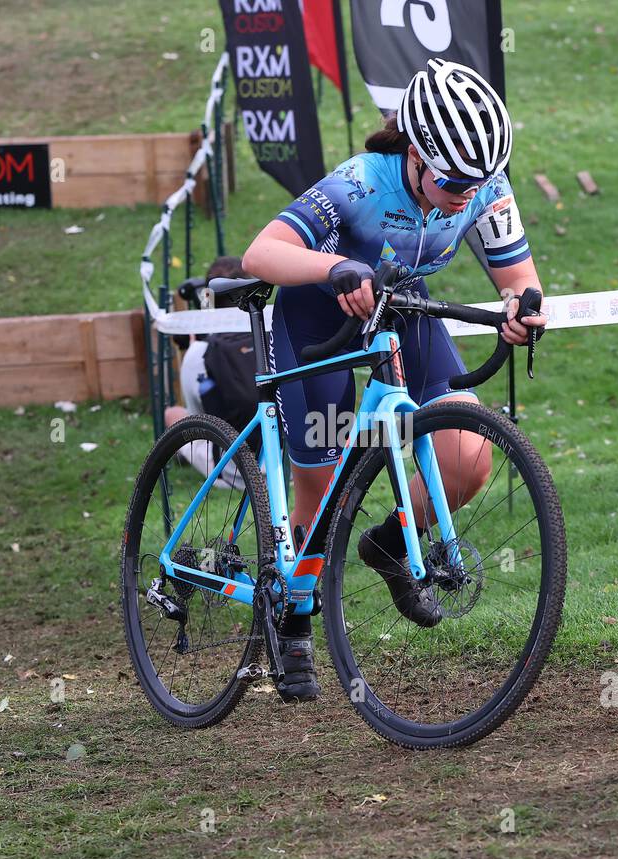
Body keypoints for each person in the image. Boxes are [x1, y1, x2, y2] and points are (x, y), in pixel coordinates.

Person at [241, 58, 548, 701]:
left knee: (467, 460)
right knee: (320, 493)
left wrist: (524, 307)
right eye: (454, 178)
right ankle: (293, 619)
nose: (469, 190)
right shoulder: (359, 184)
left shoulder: (485, 183)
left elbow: (519, 278)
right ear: (414, 154)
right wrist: (332, 270)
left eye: (479, 178)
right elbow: (260, 253)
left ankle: (388, 543)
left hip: (401, 308)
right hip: (319, 318)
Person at [165, 256, 258, 489]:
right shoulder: (273, 333)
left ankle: (180, 457)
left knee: (173, 415)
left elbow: (199, 422)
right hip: (286, 467)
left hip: (231, 473)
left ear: (208, 297)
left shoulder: (201, 352)